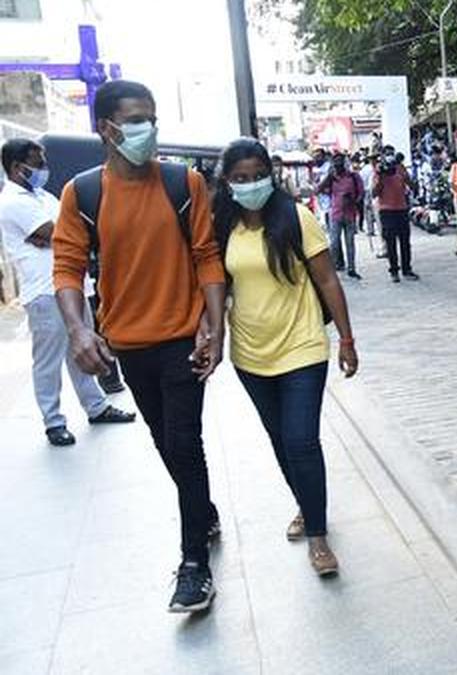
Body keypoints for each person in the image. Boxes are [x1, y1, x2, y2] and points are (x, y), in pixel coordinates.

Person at [52, 80, 226, 612]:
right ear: (106, 128)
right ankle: (204, 511)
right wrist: (80, 330)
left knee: (185, 443)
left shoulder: (183, 183)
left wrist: (213, 327)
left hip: (182, 342)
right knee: (164, 440)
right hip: (128, 345)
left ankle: (193, 563)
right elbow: (67, 266)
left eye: (150, 118)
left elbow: (207, 256)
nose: (147, 128)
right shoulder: (83, 194)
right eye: (135, 119)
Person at [211, 138, 357, 576]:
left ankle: (318, 536)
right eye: (240, 178)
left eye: (258, 175)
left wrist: (347, 339)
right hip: (251, 354)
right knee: (280, 440)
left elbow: (328, 281)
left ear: (270, 175)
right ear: (227, 181)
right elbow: (215, 284)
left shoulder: (297, 217)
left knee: (301, 440)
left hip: (303, 346)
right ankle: (305, 502)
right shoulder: (221, 225)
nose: (251, 183)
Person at [0, 138, 135, 447]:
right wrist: (60, 234)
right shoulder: (12, 201)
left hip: (71, 285)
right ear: (17, 167)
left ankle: (96, 406)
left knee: (82, 351)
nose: (44, 168)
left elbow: (71, 231)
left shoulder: (43, 196)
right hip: (45, 292)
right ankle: (53, 421)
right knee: (47, 362)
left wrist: (60, 234)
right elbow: (58, 233)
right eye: (37, 163)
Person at [317, 152, 364, 279]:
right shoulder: (331, 178)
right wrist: (328, 177)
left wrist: (353, 200)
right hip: (335, 214)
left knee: (350, 243)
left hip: (350, 214)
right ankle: (335, 265)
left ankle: (351, 268)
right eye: (335, 162)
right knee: (334, 242)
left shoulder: (354, 177)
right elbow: (318, 190)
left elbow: (361, 193)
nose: (338, 164)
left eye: (340, 161)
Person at [375, 148, 419, 281]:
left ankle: (407, 269)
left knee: (405, 241)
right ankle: (394, 271)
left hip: (401, 208)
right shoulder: (379, 171)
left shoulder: (400, 168)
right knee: (390, 242)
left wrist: (406, 177)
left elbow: (412, 186)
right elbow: (374, 193)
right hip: (386, 210)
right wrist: (381, 177)